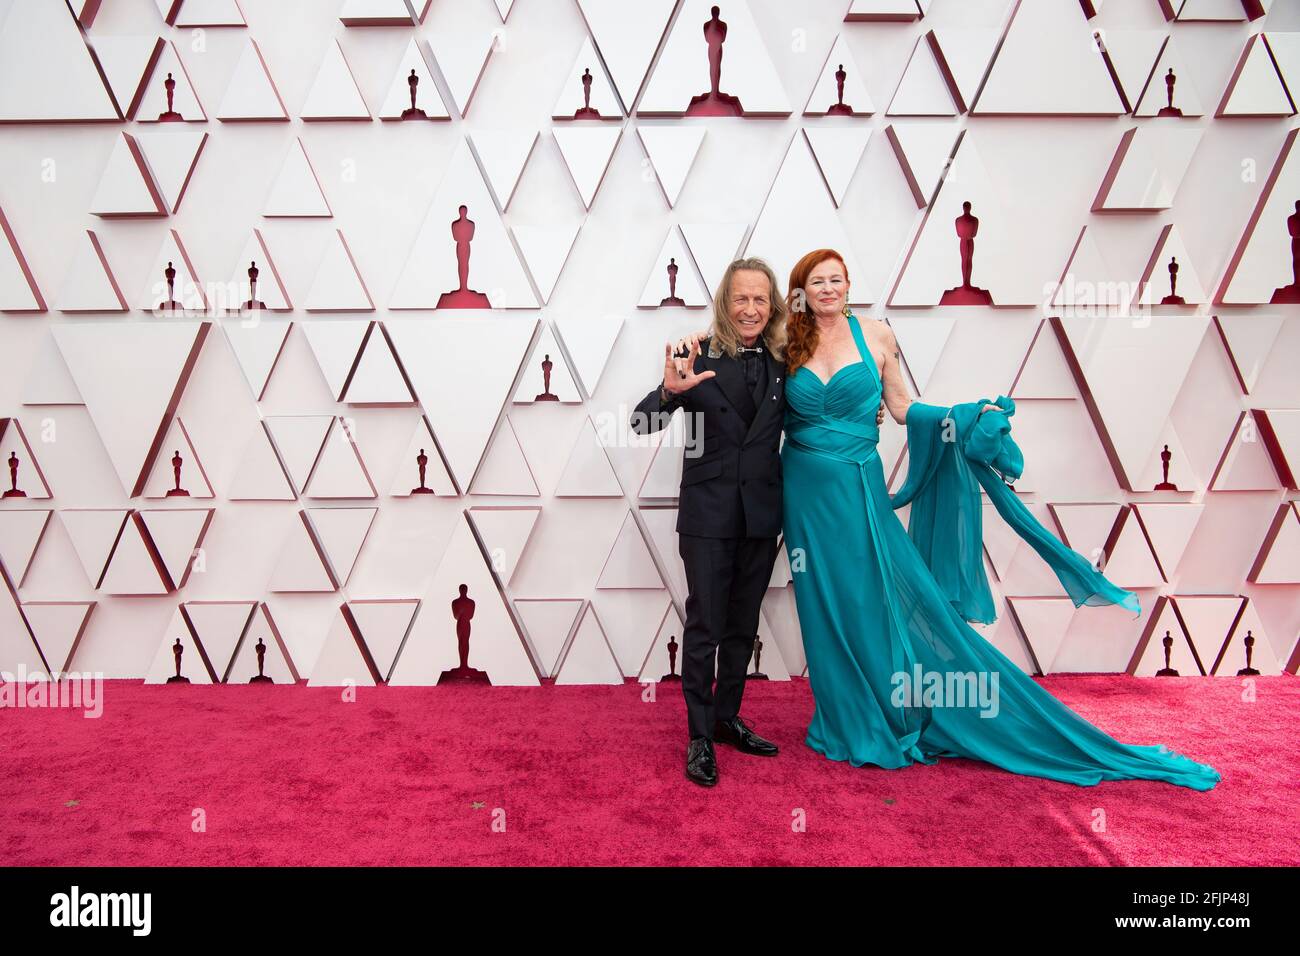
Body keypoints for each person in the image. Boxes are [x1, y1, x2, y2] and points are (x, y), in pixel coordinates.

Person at [778, 247, 1220, 790]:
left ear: (848, 285)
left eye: (836, 279)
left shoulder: (877, 336)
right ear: (801, 289)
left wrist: (961, 419)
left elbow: (900, 408)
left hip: (859, 488)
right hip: (803, 491)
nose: (827, 288)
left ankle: (887, 714)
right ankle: (841, 717)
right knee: (822, 602)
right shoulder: (787, 338)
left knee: (873, 598)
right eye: (816, 281)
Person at [629, 257, 788, 787]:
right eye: (740, 299)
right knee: (705, 626)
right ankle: (699, 736)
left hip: (762, 516)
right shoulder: (695, 356)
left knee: (743, 628)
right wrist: (671, 390)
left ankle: (726, 719)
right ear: (725, 303)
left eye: (760, 299)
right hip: (709, 515)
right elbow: (640, 422)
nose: (750, 309)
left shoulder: (785, 362)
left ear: (773, 306)